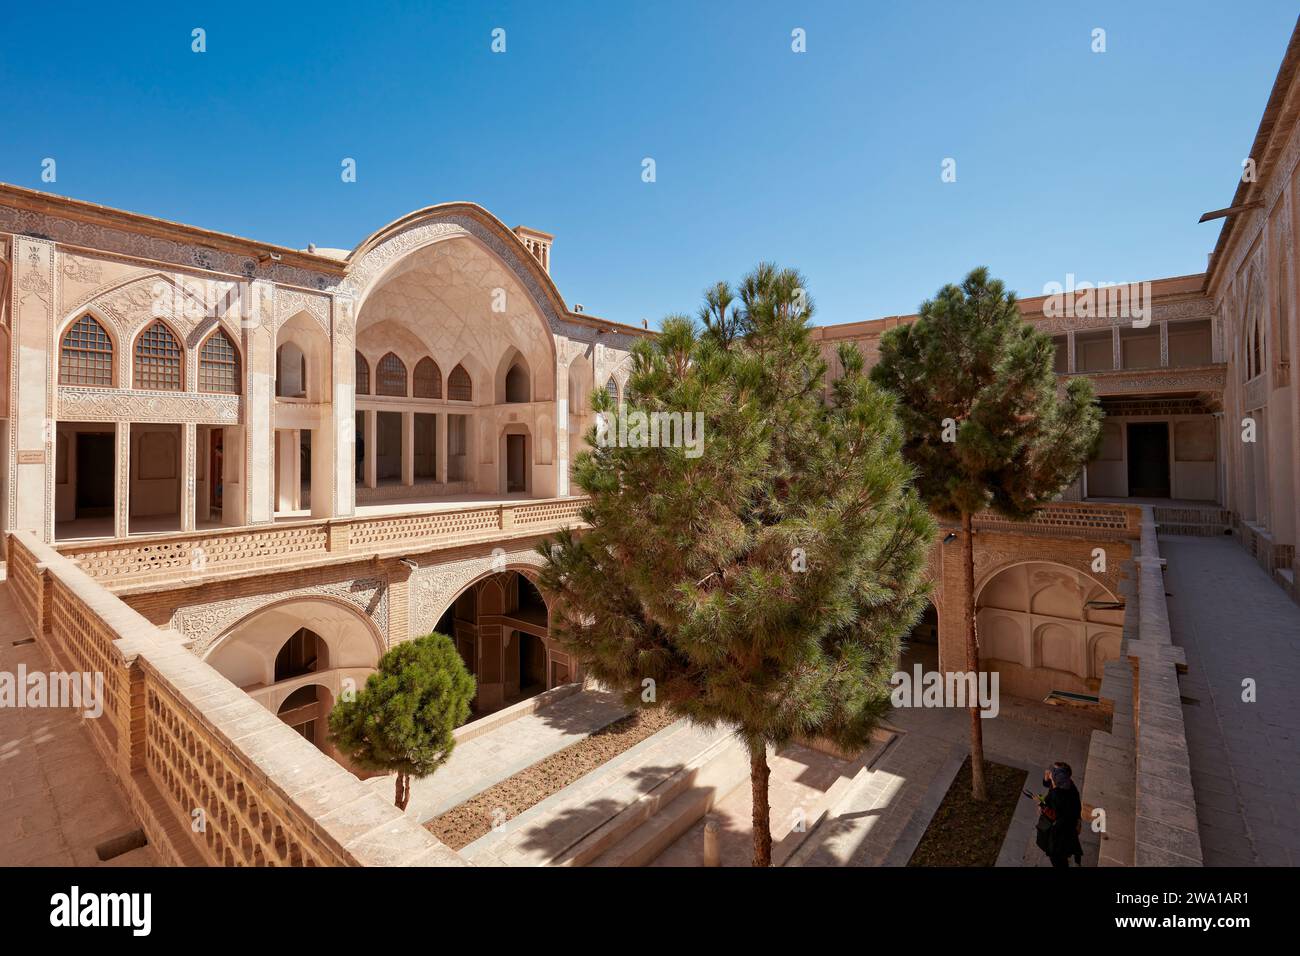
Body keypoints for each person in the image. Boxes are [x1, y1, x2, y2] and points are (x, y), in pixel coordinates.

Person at [1035, 761, 1083, 867]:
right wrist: (1046, 777)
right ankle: (1074, 859)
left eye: (1053, 770)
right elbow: (1047, 784)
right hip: (1065, 827)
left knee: (1057, 856)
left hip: (1059, 831)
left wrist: (1043, 807)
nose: (1050, 771)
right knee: (1067, 848)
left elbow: (1057, 815)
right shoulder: (1063, 784)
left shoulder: (1060, 794)